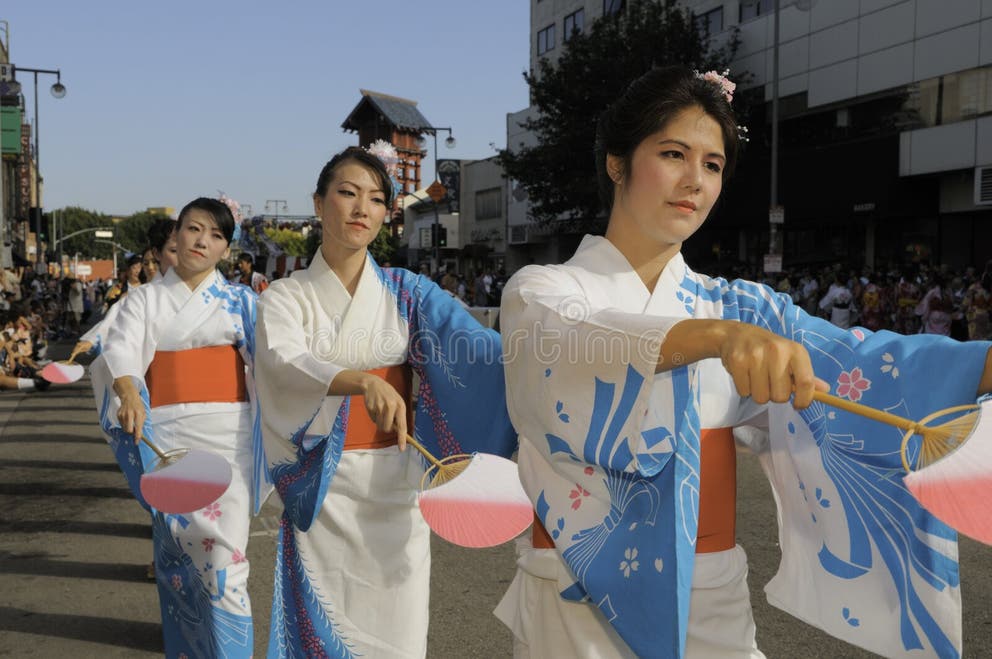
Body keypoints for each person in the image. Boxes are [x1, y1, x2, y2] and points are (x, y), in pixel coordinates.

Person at [494, 66, 992, 659]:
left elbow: (866, 362)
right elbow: (570, 341)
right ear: (616, 162)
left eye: (712, 164)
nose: (694, 180)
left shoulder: (740, 308)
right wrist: (717, 338)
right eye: (674, 153)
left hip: (710, 595)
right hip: (571, 601)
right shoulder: (543, 291)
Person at [254, 145, 515, 658]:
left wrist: (546, 363)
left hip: (397, 486)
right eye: (347, 193)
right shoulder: (285, 296)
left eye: (376, 199)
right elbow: (283, 362)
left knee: (399, 636)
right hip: (324, 485)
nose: (361, 209)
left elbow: (477, 350)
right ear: (319, 201)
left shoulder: (408, 292)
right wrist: (359, 381)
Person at [100, 199, 265, 658]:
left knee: (226, 564)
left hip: (231, 440)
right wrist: (130, 391)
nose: (201, 241)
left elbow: (276, 363)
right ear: (176, 235)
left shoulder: (241, 301)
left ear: (226, 250)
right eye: (194, 229)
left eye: (215, 236)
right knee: (181, 564)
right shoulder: (145, 299)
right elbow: (122, 347)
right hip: (168, 440)